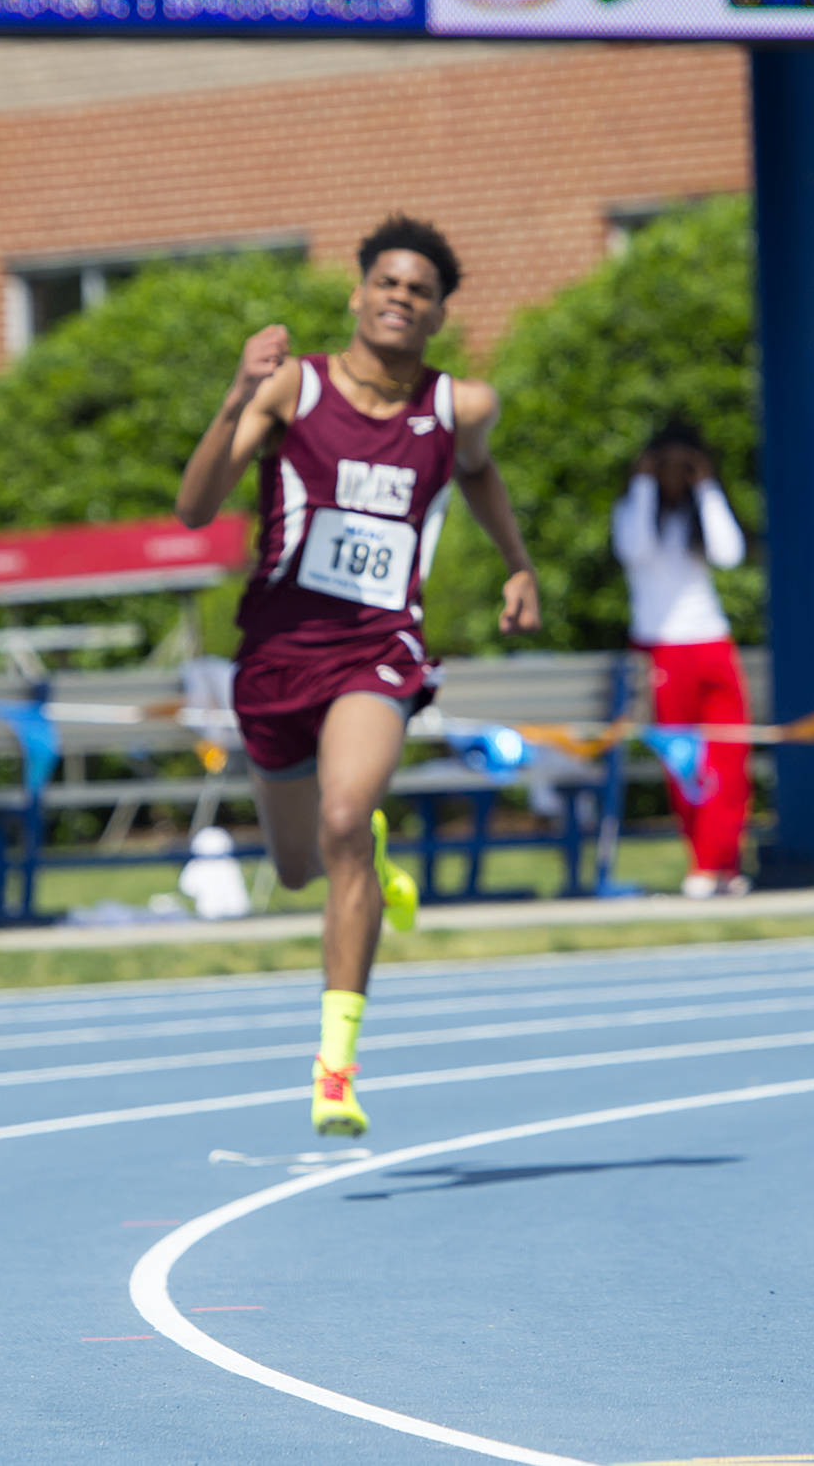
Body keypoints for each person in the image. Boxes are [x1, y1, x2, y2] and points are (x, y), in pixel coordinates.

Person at [175, 217, 541, 1138]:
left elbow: (481, 473)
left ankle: (334, 1069)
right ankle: (366, 855)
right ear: (357, 292)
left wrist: (517, 563)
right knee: (301, 865)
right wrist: (234, 394)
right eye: (387, 282)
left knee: (344, 818)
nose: (399, 299)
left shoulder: (459, 406)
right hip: (274, 658)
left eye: (419, 290)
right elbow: (193, 509)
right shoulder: (293, 389)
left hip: (378, 650)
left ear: (438, 313)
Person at [612, 420, 753, 895]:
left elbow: (730, 553)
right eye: (665, 467)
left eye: (682, 468)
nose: (674, 476)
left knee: (729, 756)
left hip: (711, 641)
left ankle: (723, 862)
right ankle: (705, 862)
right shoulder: (633, 509)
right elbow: (636, 550)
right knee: (685, 764)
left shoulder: (700, 514)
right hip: (660, 649)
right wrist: (645, 482)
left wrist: (707, 484)